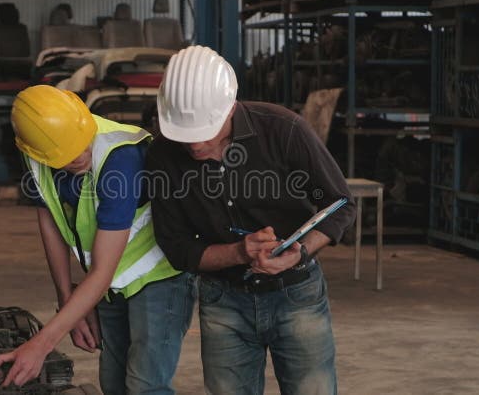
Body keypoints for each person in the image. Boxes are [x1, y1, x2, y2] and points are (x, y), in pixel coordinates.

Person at [146, 46, 356, 395]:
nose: (196, 145)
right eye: (186, 135)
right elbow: (177, 247)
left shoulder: (283, 129)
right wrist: (239, 253)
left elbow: (340, 205)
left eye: (207, 131)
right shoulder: (163, 154)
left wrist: (300, 250)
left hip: (297, 293)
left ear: (230, 106)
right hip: (222, 300)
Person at [0, 85, 195, 394]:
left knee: (145, 386)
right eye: (66, 155)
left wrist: (42, 343)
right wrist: (66, 297)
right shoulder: (36, 154)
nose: (79, 156)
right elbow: (49, 218)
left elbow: (102, 270)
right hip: (110, 284)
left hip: (158, 277)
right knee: (113, 384)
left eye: (82, 145)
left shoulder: (121, 157)